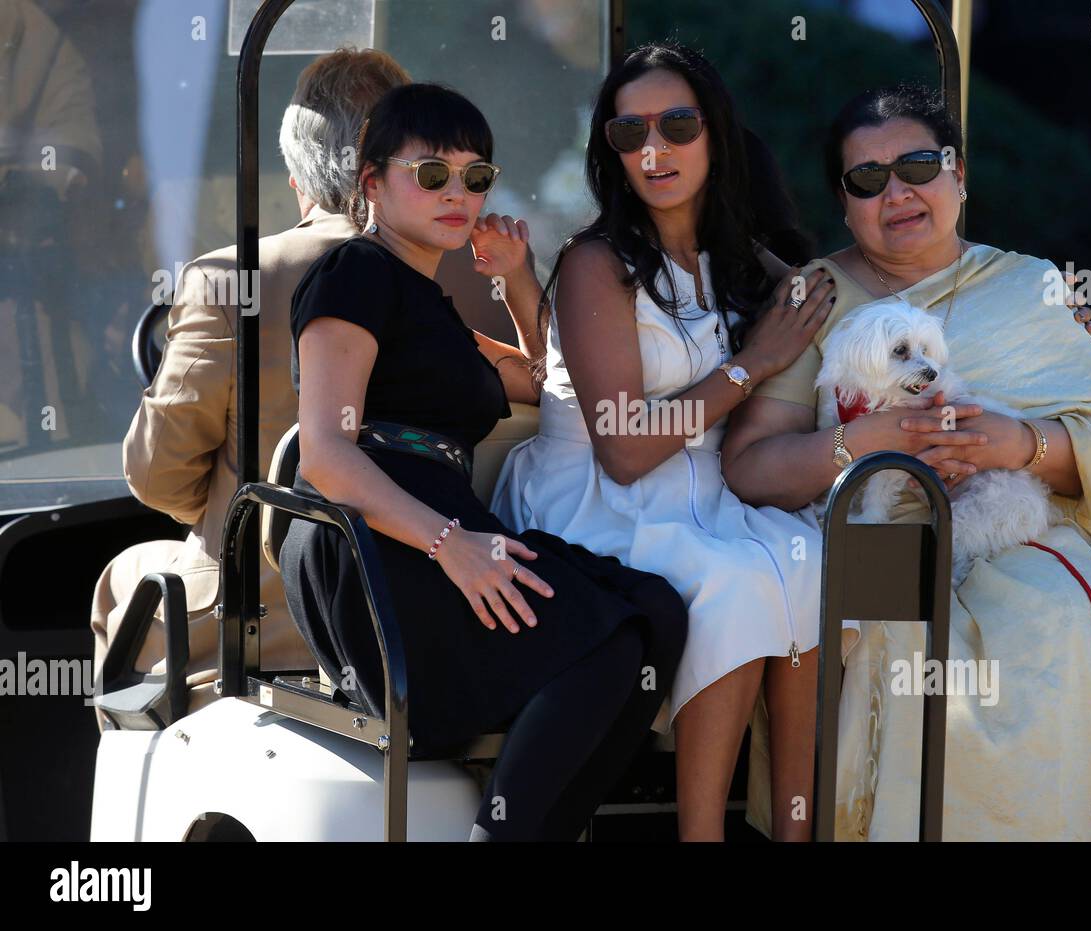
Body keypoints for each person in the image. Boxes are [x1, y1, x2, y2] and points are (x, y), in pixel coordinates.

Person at [722, 83, 1091, 840]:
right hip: (863, 541)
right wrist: (865, 444)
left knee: (1065, 636)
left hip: (1015, 534)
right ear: (844, 201)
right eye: (868, 179)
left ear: (958, 174)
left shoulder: (1031, 287)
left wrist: (1015, 442)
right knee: (903, 654)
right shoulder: (817, 297)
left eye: (919, 165)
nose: (897, 192)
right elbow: (751, 465)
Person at [278, 82, 687, 841]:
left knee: (657, 613)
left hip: (439, 524)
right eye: (431, 174)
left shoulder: (429, 300)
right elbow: (328, 452)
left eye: (476, 177)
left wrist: (516, 277)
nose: (457, 192)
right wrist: (450, 544)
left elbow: (546, 380)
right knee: (611, 638)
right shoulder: (356, 274)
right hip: (384, 540)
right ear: (371, 182)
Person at [491, 43, 834, 841]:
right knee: (735, 577)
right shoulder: (593, 263)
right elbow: (624, 447)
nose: (655, 149)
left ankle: (797, 830)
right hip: (599, 500)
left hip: (703, 492)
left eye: (678, 125)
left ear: (714, 133)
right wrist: (752, 364)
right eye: (629, 131)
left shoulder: (737, 260)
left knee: (811, 560)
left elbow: (837, 305)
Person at [90, 49, 413, 724]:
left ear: (297, 175)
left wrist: (225, 507)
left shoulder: (229, 281)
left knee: (121, 578)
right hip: (420, 613)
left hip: (265, 624)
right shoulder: (485, 278)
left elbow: (156, 475)